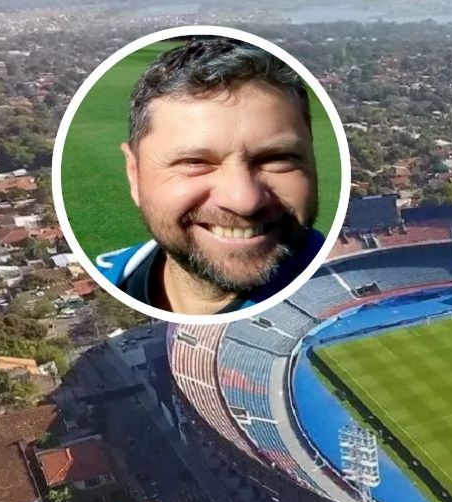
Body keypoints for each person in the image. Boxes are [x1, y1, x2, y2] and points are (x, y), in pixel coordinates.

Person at [95, 37, 325, 315]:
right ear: (134, 174)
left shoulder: (335, 270)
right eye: (194, 162)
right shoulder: (112, 277)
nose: (244, 201)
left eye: (277, 159)